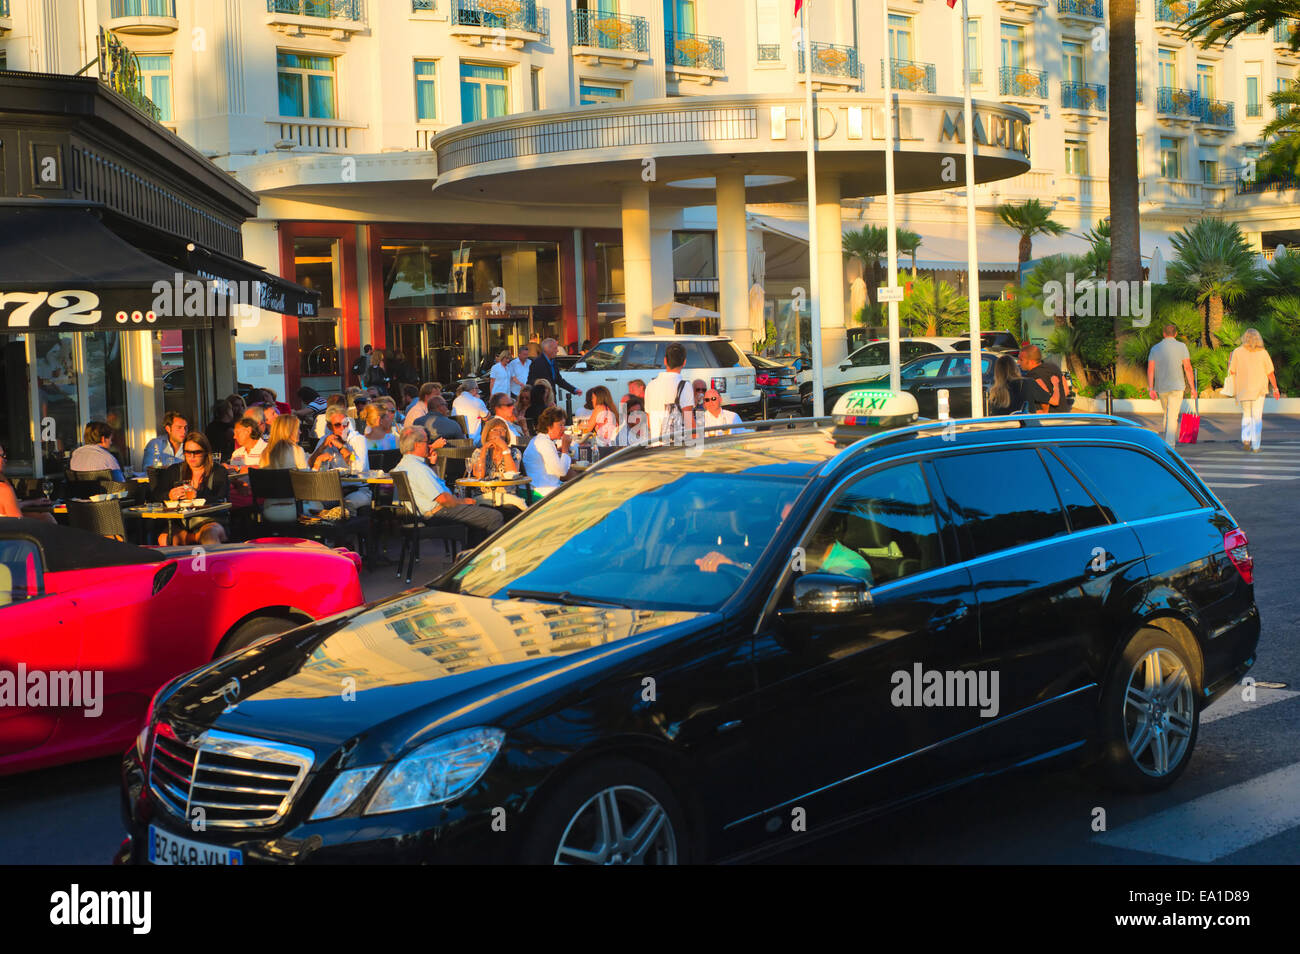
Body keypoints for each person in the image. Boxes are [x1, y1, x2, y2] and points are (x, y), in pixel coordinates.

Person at [391, 425, 503, 545]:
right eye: (427, 442)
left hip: (425, 515)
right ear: (417, 444)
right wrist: (463, 501)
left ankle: (470, 556)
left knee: (479, 516)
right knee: (494, 516)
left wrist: (433, 465)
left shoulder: (403, 465)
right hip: (438, 514)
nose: (429, 445)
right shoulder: (418, 468)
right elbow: (444, 499)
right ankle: (488, 558)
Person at [152, 432, 229, 546]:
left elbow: (221, 498)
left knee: (209, 535)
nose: (192, 456)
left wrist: (198, 495)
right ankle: (175, 564)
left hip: (210, 520)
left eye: (196, 452)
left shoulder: (218, 471)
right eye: (188, 452)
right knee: (165, 539)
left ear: (206, 452)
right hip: (181, 522)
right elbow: (156, 495)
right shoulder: (175, 470)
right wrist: (169, 495)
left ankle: (214, 563)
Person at [1227, 328, 1282, 453]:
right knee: (1257, 417)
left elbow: (1232, 371)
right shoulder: (1263, 353)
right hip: (1259, 390)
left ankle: (1246, 439)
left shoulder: (1237, 352)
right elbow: (1270, 373)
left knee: (1246, 415)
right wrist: (1276, 388)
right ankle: (1256, 446)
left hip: (1243, 389)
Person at [1145, 324, 1196, 446]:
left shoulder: (1155, 348)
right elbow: (1187, 368)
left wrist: (1151, 388)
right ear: (1176, 334)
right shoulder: (1182, 347)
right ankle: (1170, 446)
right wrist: (1193, 388)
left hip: (1162, 387)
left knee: (1167, 414)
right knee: (1172, 415)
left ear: (1164, 333)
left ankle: (1168, 442)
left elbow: (1150, 369)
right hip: (1177, 386)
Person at [310, 409, 372, 510]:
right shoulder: (325, 440)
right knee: (316, 505)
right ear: (330, 427)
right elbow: (310, 465)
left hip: (359, 489)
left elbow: (358, 468)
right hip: (334, 490)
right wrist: (321, 448)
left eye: (345, 424)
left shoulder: (358, 439)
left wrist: (341, 448)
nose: (343, 428)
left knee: (347, 505)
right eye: (338, 425)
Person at [644, 342, 695, 439]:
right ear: (684, 362)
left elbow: (649, 421)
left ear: (665, 360)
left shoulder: (650, 385)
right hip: (676, 448)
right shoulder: (685, 386)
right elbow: (689, 423)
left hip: (656, 446)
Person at [522, 407, 575, 497]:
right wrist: (565, 449)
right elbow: (561, 472)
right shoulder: (544, 442)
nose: (564, 429)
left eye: (564, 425)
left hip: (543, 486)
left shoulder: (541, 439)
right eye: (560, 425)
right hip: (540, 491)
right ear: (549, 426)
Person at [0, 442, 56, 523]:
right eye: (2, 456)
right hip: (9, 533)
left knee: (45, 517)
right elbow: (18, 524)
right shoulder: (4, 489)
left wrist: (34, 502)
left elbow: (8, 506)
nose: (5, 459)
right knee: (47, 519)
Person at [527, 338, 581, 407]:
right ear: (547, 349)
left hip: (551, 399)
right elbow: (532, 382)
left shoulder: (553, 362)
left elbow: (559, 380)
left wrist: (574, 390)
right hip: (541, 402)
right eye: (555, 348)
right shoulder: (537, 363)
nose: (557, 350)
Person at [1019, 345, 1064, 414]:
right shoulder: (1050, 370)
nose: (1018, 362)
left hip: (1043, 419)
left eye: (1021, 359)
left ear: (1031, 361)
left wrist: (1044, 413)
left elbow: (1047, 402)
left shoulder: (1032, 377)